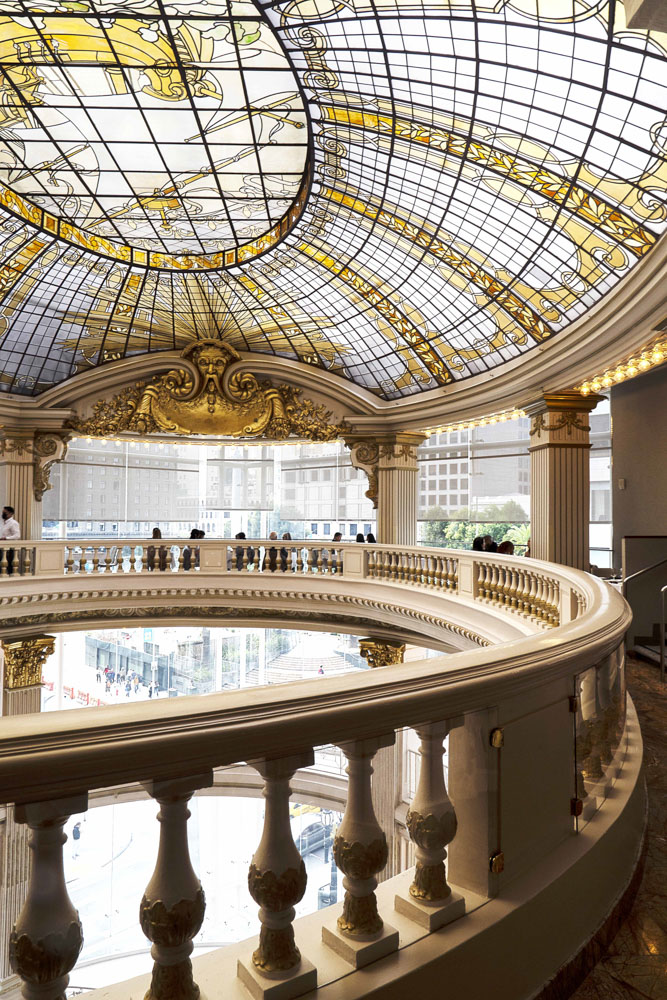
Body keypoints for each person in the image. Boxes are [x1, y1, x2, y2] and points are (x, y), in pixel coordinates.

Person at [1, 505, 20, 576]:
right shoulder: (2, 522)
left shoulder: (13, 523)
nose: (3, 514)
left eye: (5, 512)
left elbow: (17, 535)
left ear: (11, 513)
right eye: (3, 512)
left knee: (8, 564)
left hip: (9, 548)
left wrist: (6, 538)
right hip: (1, 546)